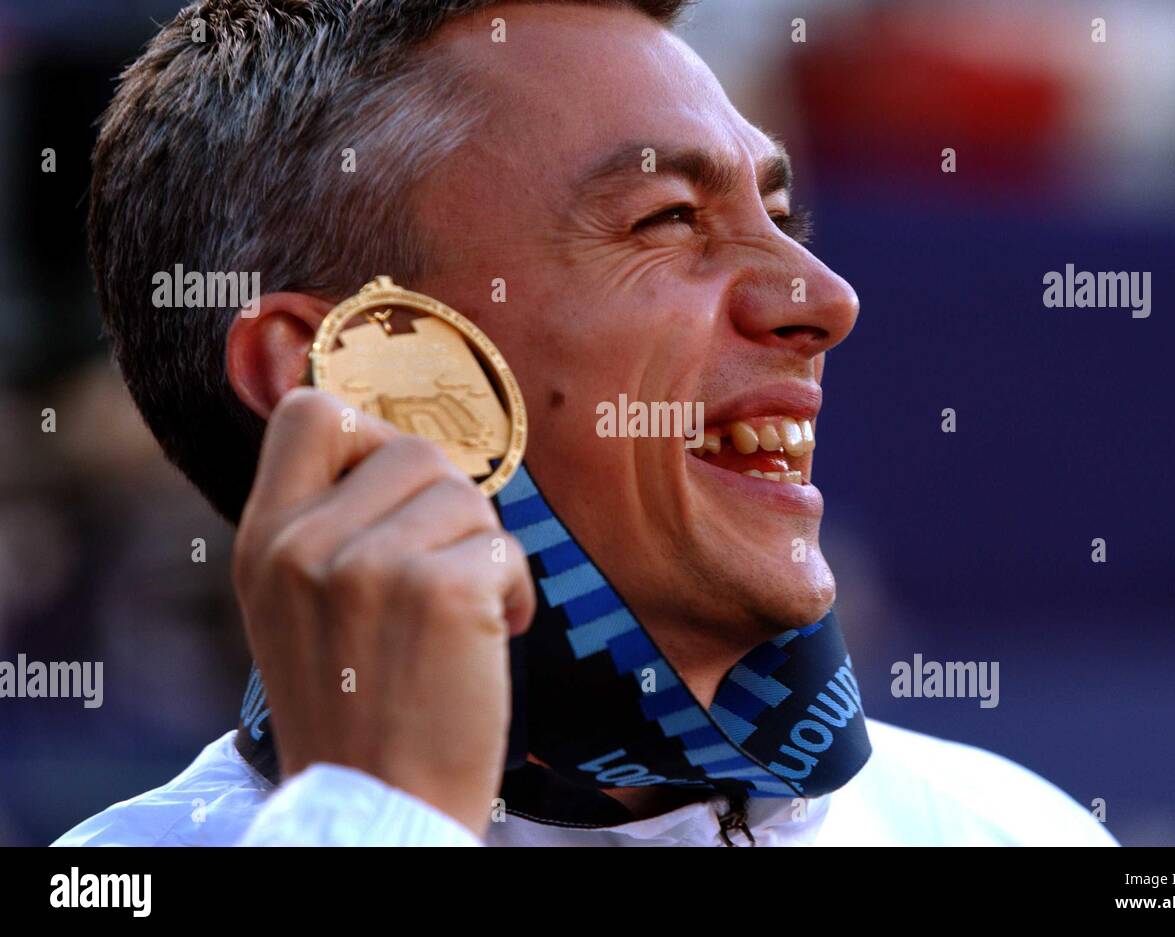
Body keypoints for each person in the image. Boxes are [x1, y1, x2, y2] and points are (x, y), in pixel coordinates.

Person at [55, 0, 1115, 847]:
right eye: (667, 219)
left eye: (780, 218)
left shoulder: (1017, 827)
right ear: (351, 374)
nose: (822, 299)